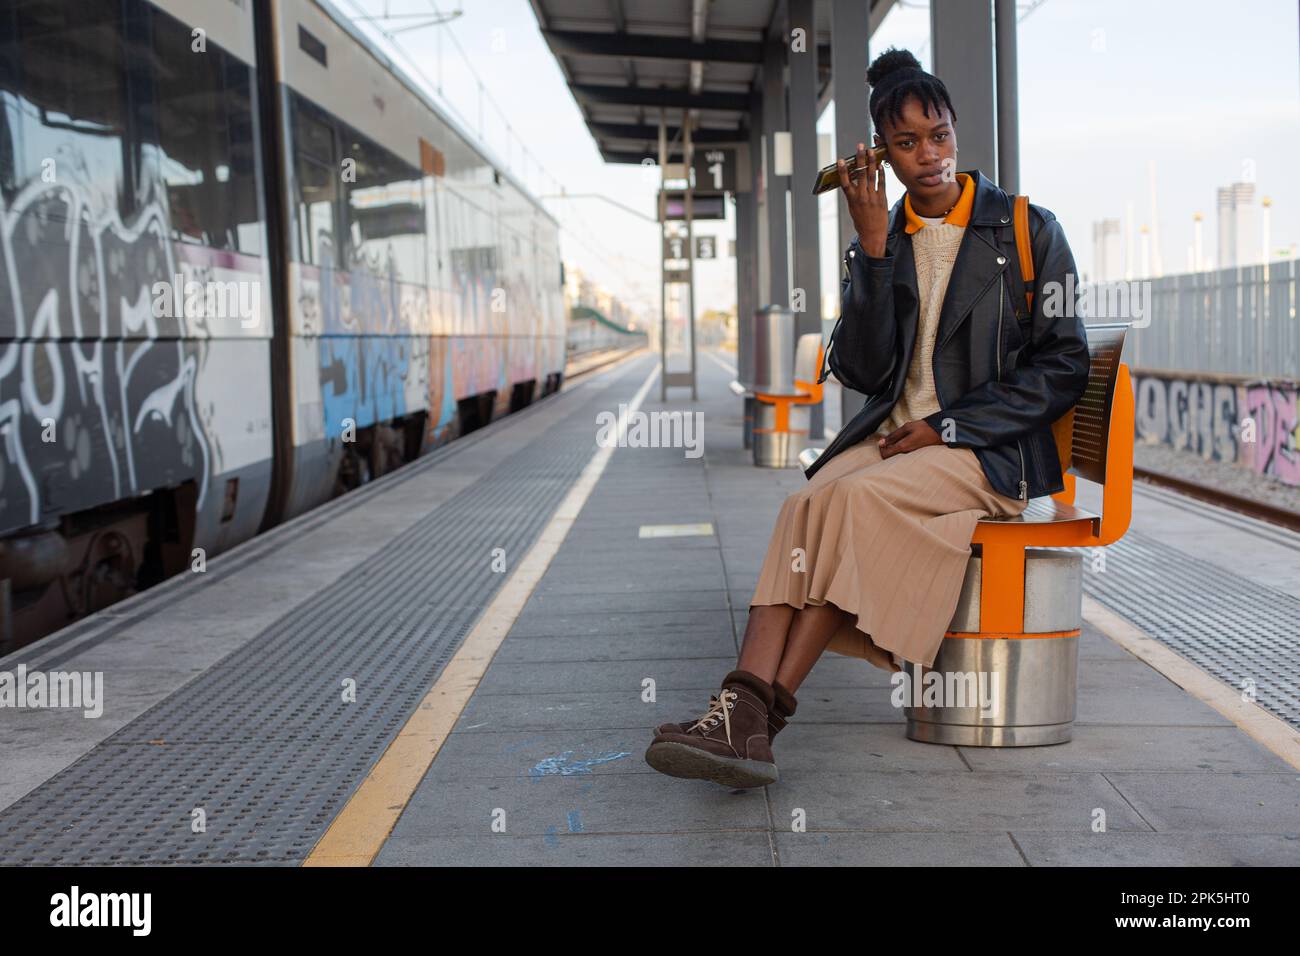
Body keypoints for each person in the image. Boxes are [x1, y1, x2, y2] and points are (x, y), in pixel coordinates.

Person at [644, 47, 1091, 790]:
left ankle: (753, 721)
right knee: (803, 506)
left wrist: (948, 426)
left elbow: (1064, 363)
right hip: (901, 447)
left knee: (847, 504)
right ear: (882, 152)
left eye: (939, 135)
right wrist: (875, 248)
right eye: (908, 143)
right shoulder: (887, 234)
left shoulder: (1025, 230)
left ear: (955, 132)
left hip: (988, 453)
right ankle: (742, 715)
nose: (930, 156)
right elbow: (860, 367)